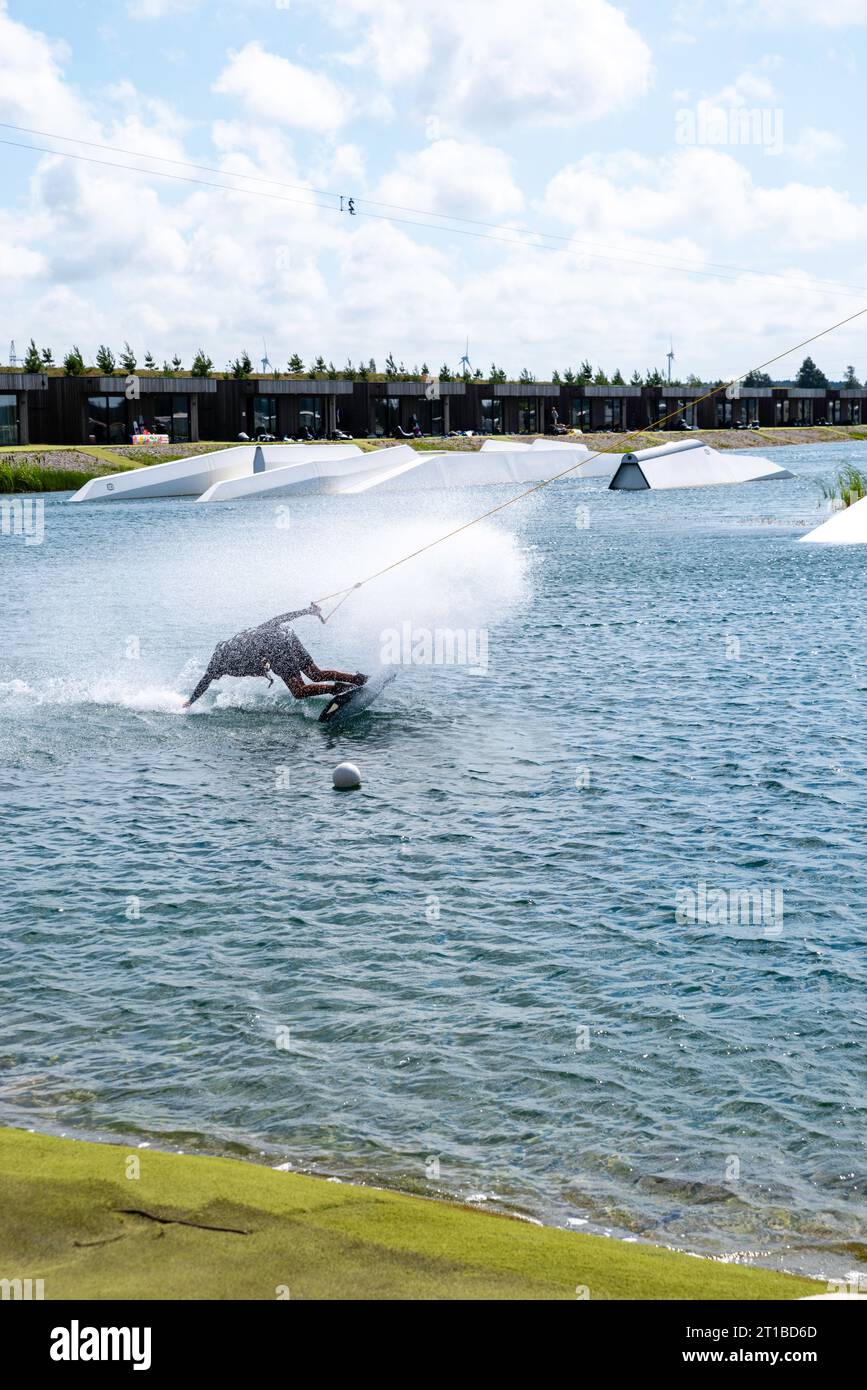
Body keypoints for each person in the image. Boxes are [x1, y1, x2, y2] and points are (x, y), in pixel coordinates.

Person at [182, 603, 366, 708]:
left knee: (299, 691)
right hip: (287, 635)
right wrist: (307, 611)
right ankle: (358, 679)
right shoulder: (241, 638)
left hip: (277, 647)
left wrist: (190, 701)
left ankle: (338, 689)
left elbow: (205, 681)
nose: (219, 675)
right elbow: (278, 620)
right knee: (315, 674)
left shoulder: (223, 661)